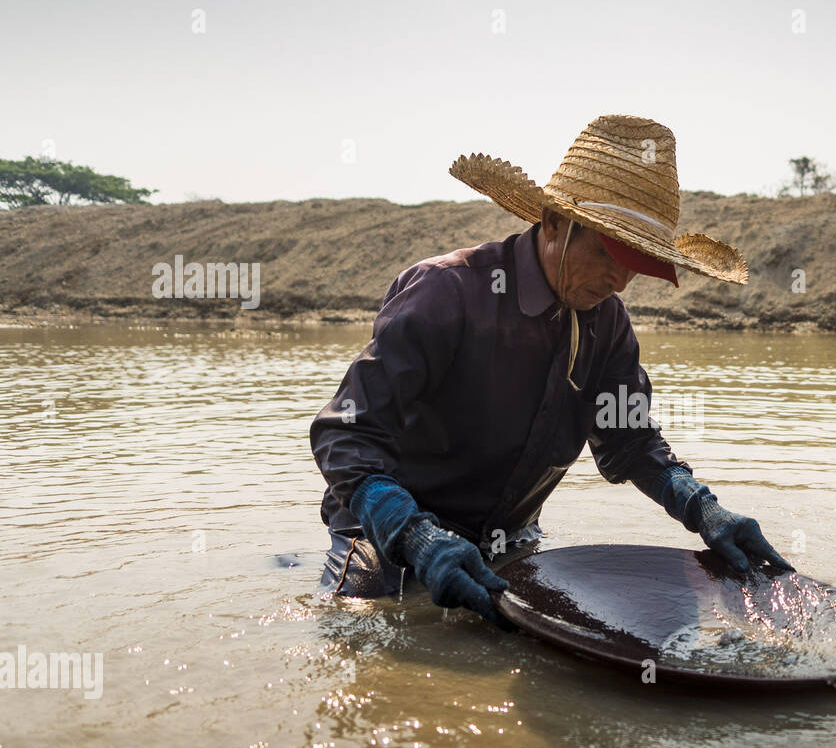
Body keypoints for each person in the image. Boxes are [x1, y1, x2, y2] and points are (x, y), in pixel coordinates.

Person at [309, 114, 791, 627]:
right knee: (367, 631)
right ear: (555, 224)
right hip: (389, 529)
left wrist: (703, 509)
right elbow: (345, 436)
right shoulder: (445, 293)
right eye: (609, 252)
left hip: (510, 538)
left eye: (637, 264)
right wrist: (418, 537)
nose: (621, 282)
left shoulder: (608, 324)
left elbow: (630, 442)